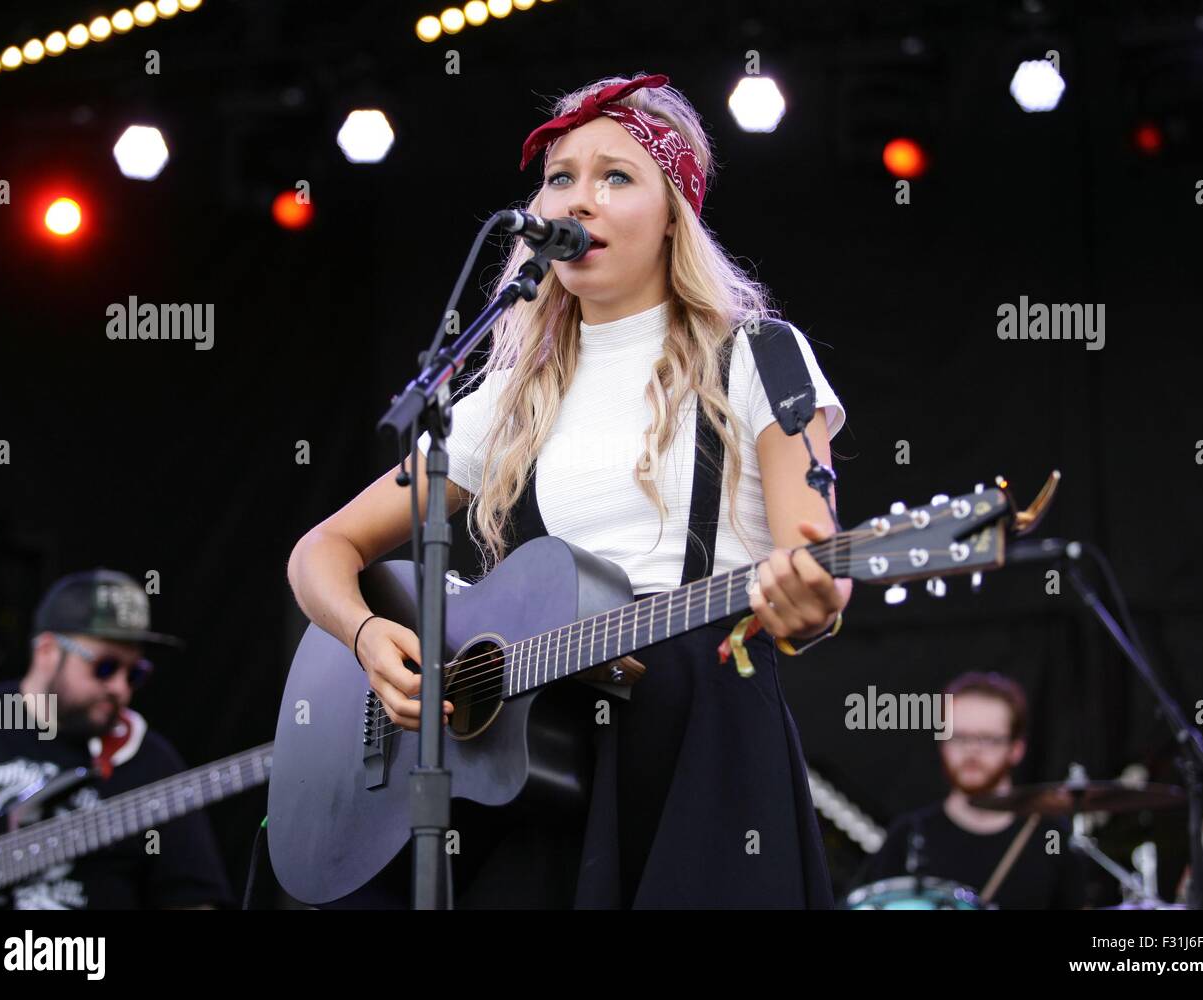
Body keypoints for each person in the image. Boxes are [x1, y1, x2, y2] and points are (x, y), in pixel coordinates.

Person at [286, 72, 850, 908]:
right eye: (560, 178)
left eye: (617, 177)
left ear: (674, 216)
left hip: (702, 732)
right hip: (542, 759)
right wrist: (369, 636)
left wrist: (815, 603)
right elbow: (320, 551)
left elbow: (818, 562)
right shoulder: (507, 396)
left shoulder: (761, 355)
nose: (578, 201)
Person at [0, 569, 233, 909]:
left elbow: (196, 897)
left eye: (135, 673)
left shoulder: (149, 760)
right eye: (104, 667)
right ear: (47, 651)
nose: (120, 688)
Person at [853, 671, 1087, 909]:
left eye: (988, 738)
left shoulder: (1050, 838)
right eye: (959, 737)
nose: (972, 750)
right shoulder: (909, 835)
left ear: (1017, 748)